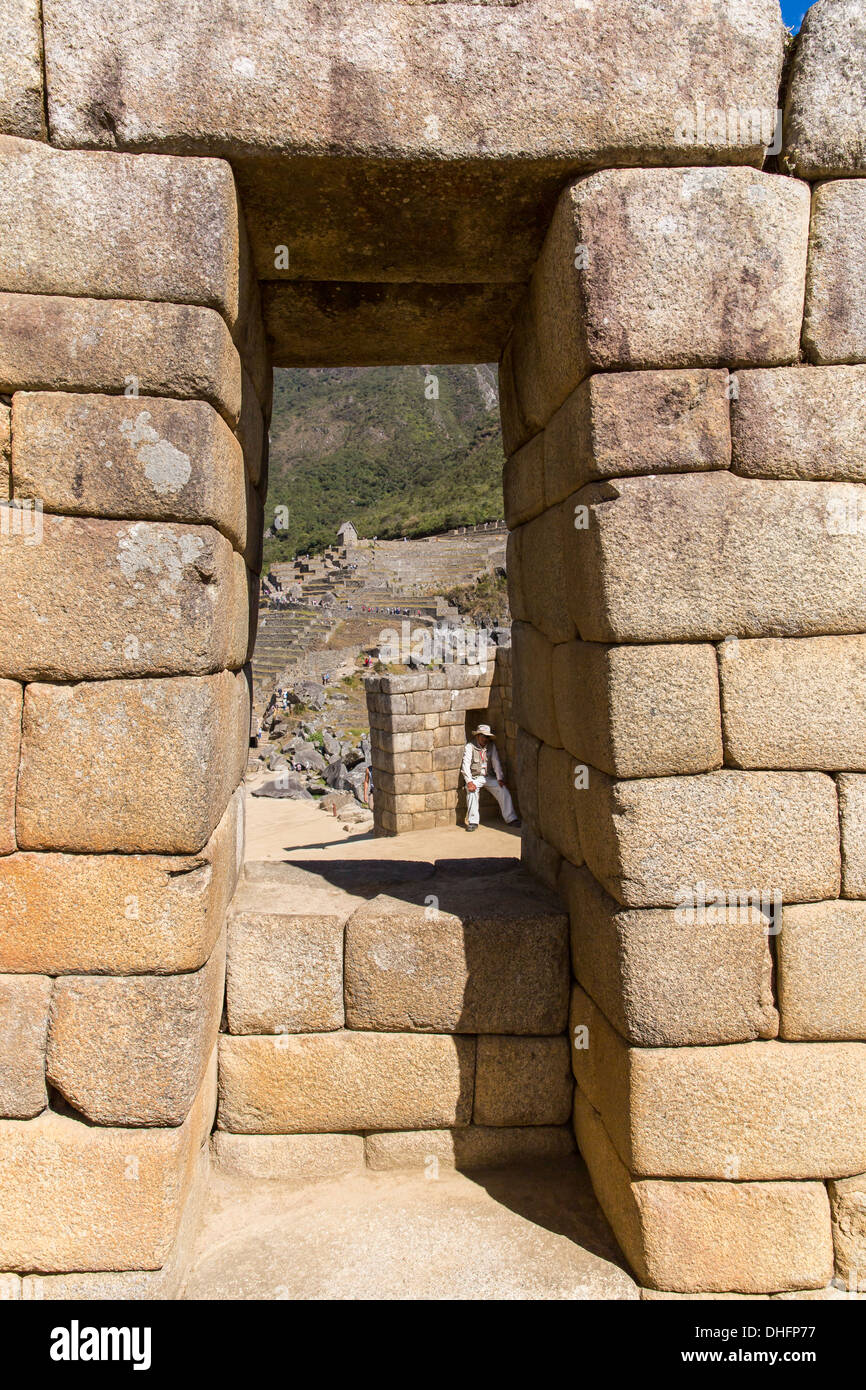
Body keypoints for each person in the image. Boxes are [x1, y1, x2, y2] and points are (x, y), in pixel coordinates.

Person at [461, 724, 519, 832]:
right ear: (478, 736)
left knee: (503, 790)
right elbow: (466, 765)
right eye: (483, 736)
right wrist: (469, 781)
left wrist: (499, 778)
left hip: (488, 777)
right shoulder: (470, 746)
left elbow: (496, 763)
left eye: (486, 737)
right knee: (471, 792)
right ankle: (473, 821)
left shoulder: (491, 746)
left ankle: (511, 818)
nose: (485, 739)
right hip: (474, 777)